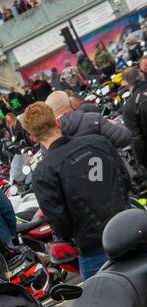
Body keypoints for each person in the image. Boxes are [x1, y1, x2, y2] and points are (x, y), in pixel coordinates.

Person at [24, 101, 131, 277]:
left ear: (33, 137)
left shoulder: (43, 173)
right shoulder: (98, 142)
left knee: (102, 301)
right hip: (128, 228)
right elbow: (125, 180)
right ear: (57, 122)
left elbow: (60, 223)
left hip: (94, 248)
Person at [44, 89, 133, 148]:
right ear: (70, 103)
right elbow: (124, 138)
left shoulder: (50, 140)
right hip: (112, 171)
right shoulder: (92, 118)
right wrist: (116, 123)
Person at [122, 65, 147, 169]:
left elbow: (136, 139)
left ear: (126, 85)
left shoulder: (129, 106)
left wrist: (141, 163)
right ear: (141, 75)